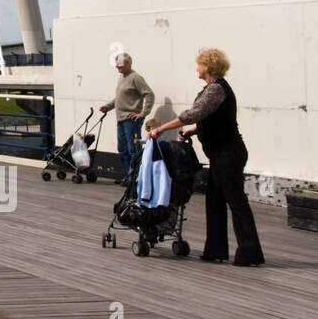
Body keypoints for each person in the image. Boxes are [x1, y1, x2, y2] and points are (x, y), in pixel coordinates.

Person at [147, 48, 264, 266]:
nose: (197, 68)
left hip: (229, 154)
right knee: (215, 201)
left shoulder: (216, 89)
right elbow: (208, 118)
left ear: (208, 67)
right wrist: (194, 131)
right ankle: (215, 250)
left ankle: (250, 252)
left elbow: (194, 114)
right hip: (220, 155)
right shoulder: (212, 89)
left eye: (199, 64)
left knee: (236, 202)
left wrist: (161, 128)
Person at [98, 52, 154, 185]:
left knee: (133, 149)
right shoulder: (121, 77)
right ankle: (128, 176)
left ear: (128, 64)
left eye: (121, 66)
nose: (118, 69)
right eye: (117, 66)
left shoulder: (135, 78)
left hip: (131, 120)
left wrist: (143, 113)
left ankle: (136, 178)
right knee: (122, 149)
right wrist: (108, 107)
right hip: (121, 119)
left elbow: (149, 94)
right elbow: (119, 98)